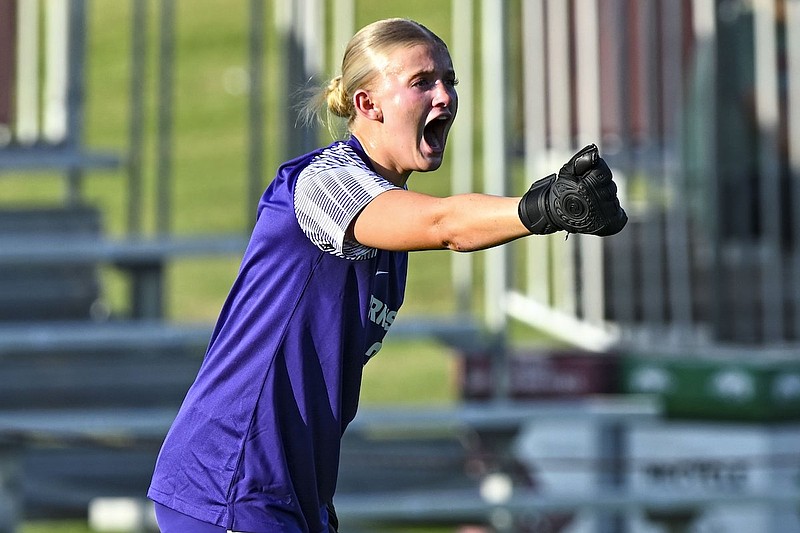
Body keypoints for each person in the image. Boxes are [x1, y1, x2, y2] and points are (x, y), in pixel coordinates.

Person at [147, 17, 626, 533]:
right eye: (422, 82)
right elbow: (445, 225)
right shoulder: (320, 185)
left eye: (450, 80)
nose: (444, 96)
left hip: (289, 490)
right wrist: (544, 208)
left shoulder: (388, 229)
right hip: (232, 480)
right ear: (367, 105)